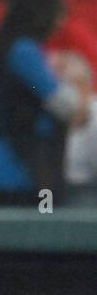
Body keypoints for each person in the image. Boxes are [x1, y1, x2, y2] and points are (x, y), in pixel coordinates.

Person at [0, 0, 80, 205]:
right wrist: (72, 84)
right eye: (58, 15)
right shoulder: (23, 52)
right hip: (15, 165)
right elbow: (62, 103)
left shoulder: (1, 47)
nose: (60, 23)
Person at [54, 52, 97, 208]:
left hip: (84, 190)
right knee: (43, 214)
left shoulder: (95, 111)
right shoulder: (48, 112)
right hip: (48, 189)